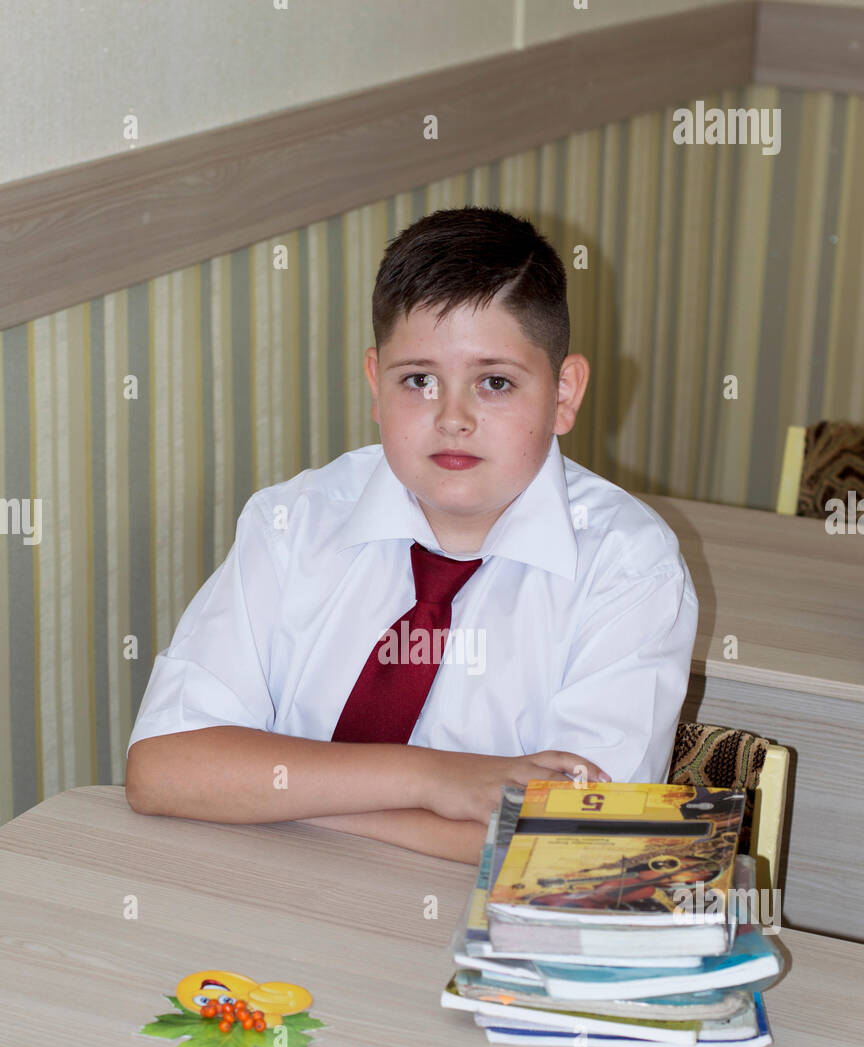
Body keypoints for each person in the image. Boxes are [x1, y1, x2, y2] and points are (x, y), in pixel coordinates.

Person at [125, 206, 698, 865]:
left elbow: (576, 843)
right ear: (376, 382)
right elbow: (163, 768)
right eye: (419, 380)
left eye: (494, 382)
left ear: (564, 393)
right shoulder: (293, 522)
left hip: (474, 936)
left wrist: (286, 796)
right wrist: (433, 779)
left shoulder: (628, 568)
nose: (453, 418)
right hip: (271, 905)